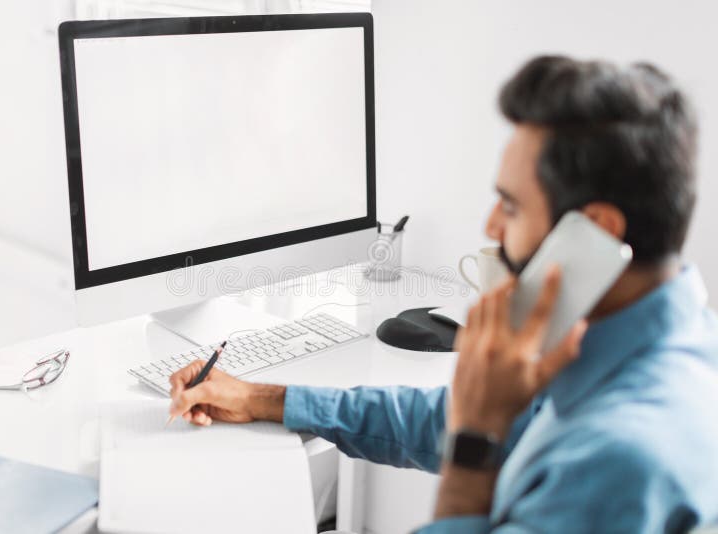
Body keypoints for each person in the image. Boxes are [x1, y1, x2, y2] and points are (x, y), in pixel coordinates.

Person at [168, 56, 718, 532]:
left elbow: (475, 430)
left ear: (595, 229)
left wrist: (477, 441)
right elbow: (442, 421)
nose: (490, 226)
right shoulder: (631, 350)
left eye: (511, 205)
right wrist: (262, 399)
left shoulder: (621, 458)